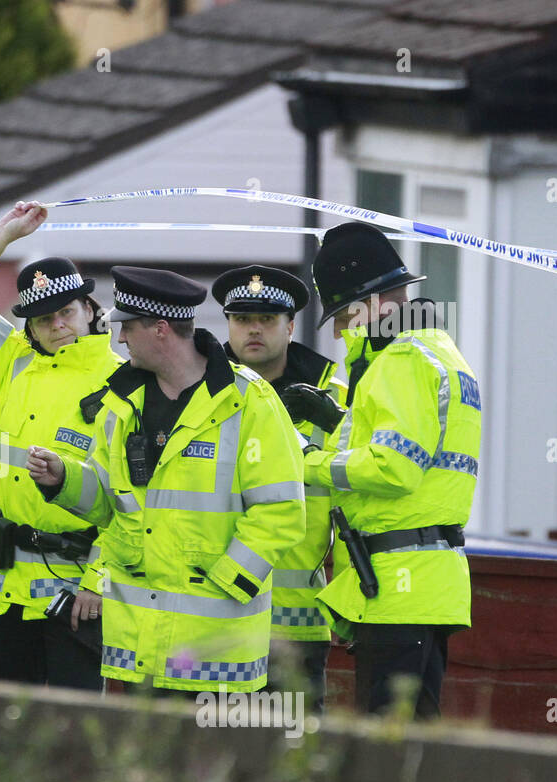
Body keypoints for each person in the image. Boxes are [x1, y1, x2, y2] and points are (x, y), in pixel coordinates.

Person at [26, 266, 305, 695]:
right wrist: (62, 478)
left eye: (128, 327)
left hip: (215, 650)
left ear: (160, 329)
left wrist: (227, 581)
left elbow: (281, 510)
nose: (120, 338)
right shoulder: (121, 403)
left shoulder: (249, 402)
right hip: (140, 646)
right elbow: (108, 503)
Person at [290, 222, 481, 718]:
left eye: (342, 315)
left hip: (398, 583)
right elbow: (405, 446)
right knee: (411, 735)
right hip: (426, 580)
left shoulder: (400, 360)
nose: (338, 331)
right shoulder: (438, 351)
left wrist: (307, 462)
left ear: (371, 303)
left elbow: (394, 468)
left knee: (386, 744)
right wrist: (335, 420)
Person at [0, 200, 122, 689]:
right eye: (43, 319)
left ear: (89, 309)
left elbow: (133, 501)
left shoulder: (124, 383)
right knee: (2, 719)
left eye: (66, 312)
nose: (57, 325)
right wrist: (3, 235)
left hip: (77, 594)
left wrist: (99, 581)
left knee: (70, 724)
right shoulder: (9, 364)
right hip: (5, 587)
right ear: (29, 327)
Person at [213, 265, 345, 711]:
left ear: (290, 327)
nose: (254, 329)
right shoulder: (196, 392)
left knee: (294, 744)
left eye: (267, 319)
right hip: (213, 611)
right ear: (227, 325)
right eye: (242, 318)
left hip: (296, 619)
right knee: (213, 743)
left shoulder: (333, 399)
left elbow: (360, 498)